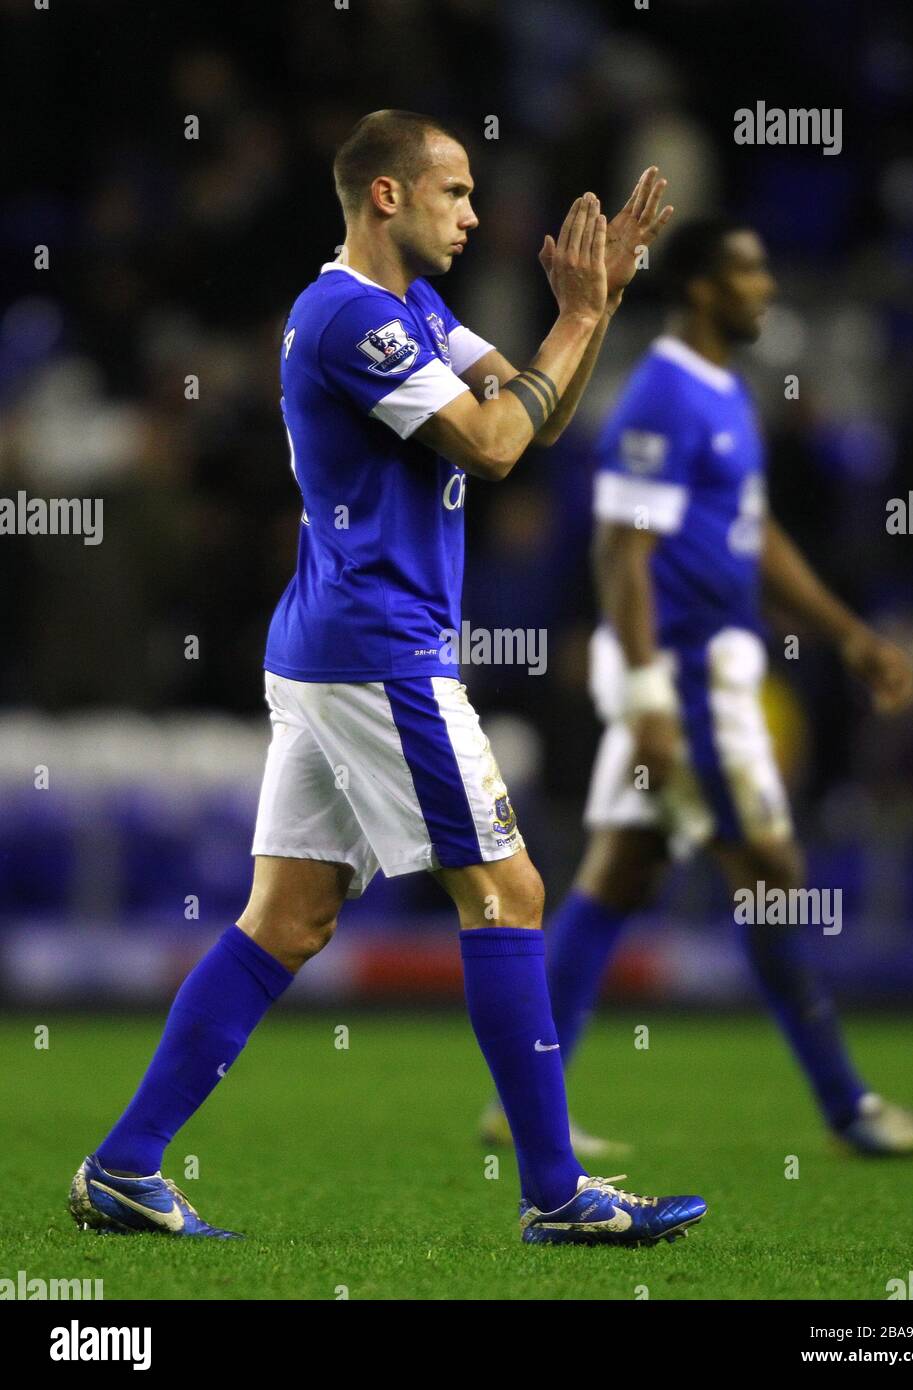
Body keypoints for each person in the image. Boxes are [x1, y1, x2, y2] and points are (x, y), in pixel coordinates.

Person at [69, 111, 706, 1246]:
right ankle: (556, 1195)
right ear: (384, 197)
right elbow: (493, 442)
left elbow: (533, 407)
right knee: (507, 894)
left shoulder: (414, 311)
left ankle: (123, 1165)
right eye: (454, 192)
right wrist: (569, 320)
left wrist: (592, 310)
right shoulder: (349, 318)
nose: (474, 214)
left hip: (330, 648)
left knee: (290, 916)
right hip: (380, 653)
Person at [480, 217, 913, 1160]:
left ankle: (519, 1102)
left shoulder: (723, 394)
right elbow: (623, 554)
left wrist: (848, 634)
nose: (766, 287)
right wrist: (656, 699)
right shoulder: (662, 396)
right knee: (776, 880)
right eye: (748, 270)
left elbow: (758, 534)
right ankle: (849, 1108)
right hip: (690, 678)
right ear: (702, 288)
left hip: (694, 676)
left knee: (619, 874)